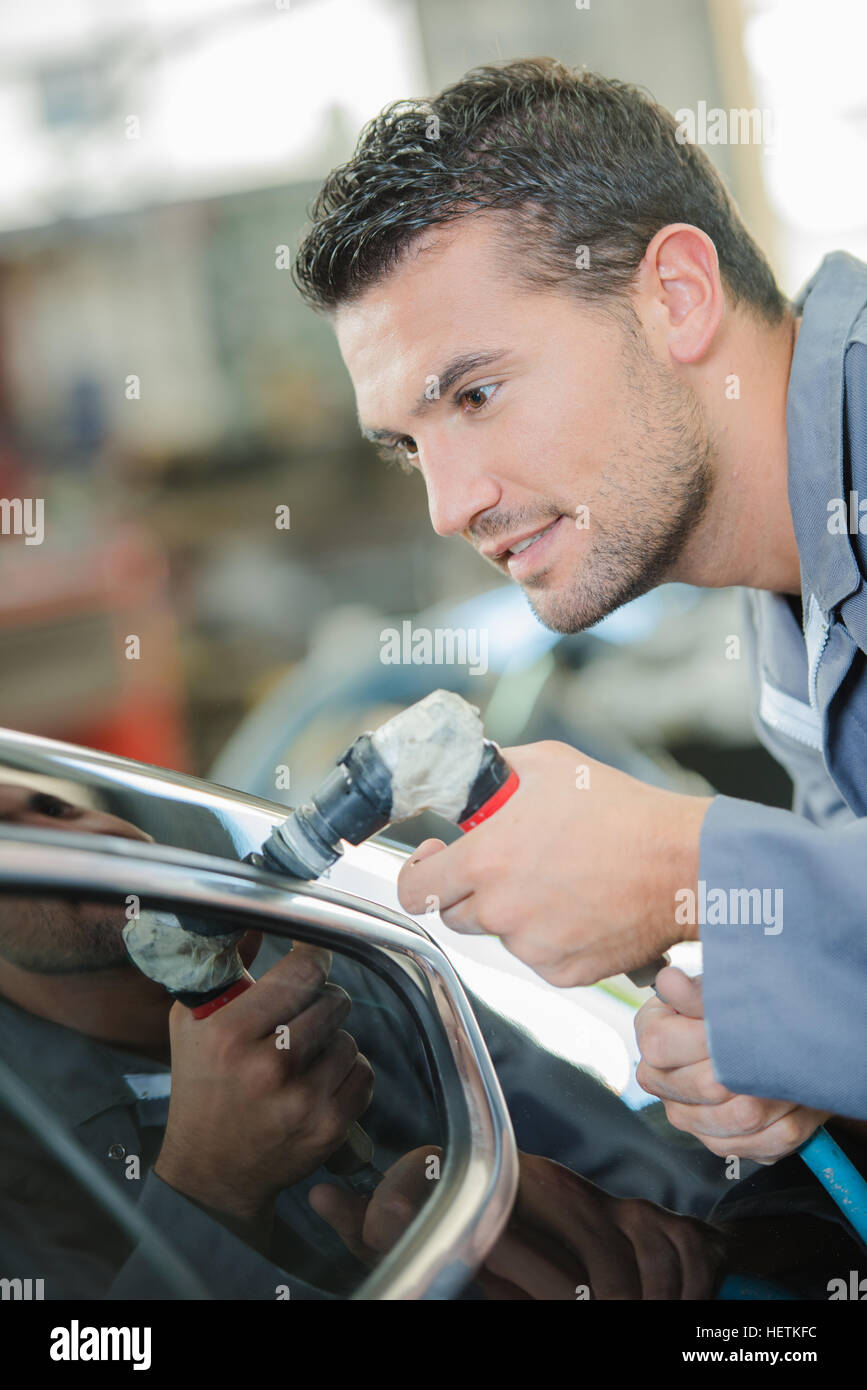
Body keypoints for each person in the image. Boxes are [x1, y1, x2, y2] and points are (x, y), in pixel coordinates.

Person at [291, 57, 867, 1156]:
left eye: (477, 394)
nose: (450, 506)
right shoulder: (782, 577)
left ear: (675, 297)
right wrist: (814, 1035)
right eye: (411, 444)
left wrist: (683, 867)